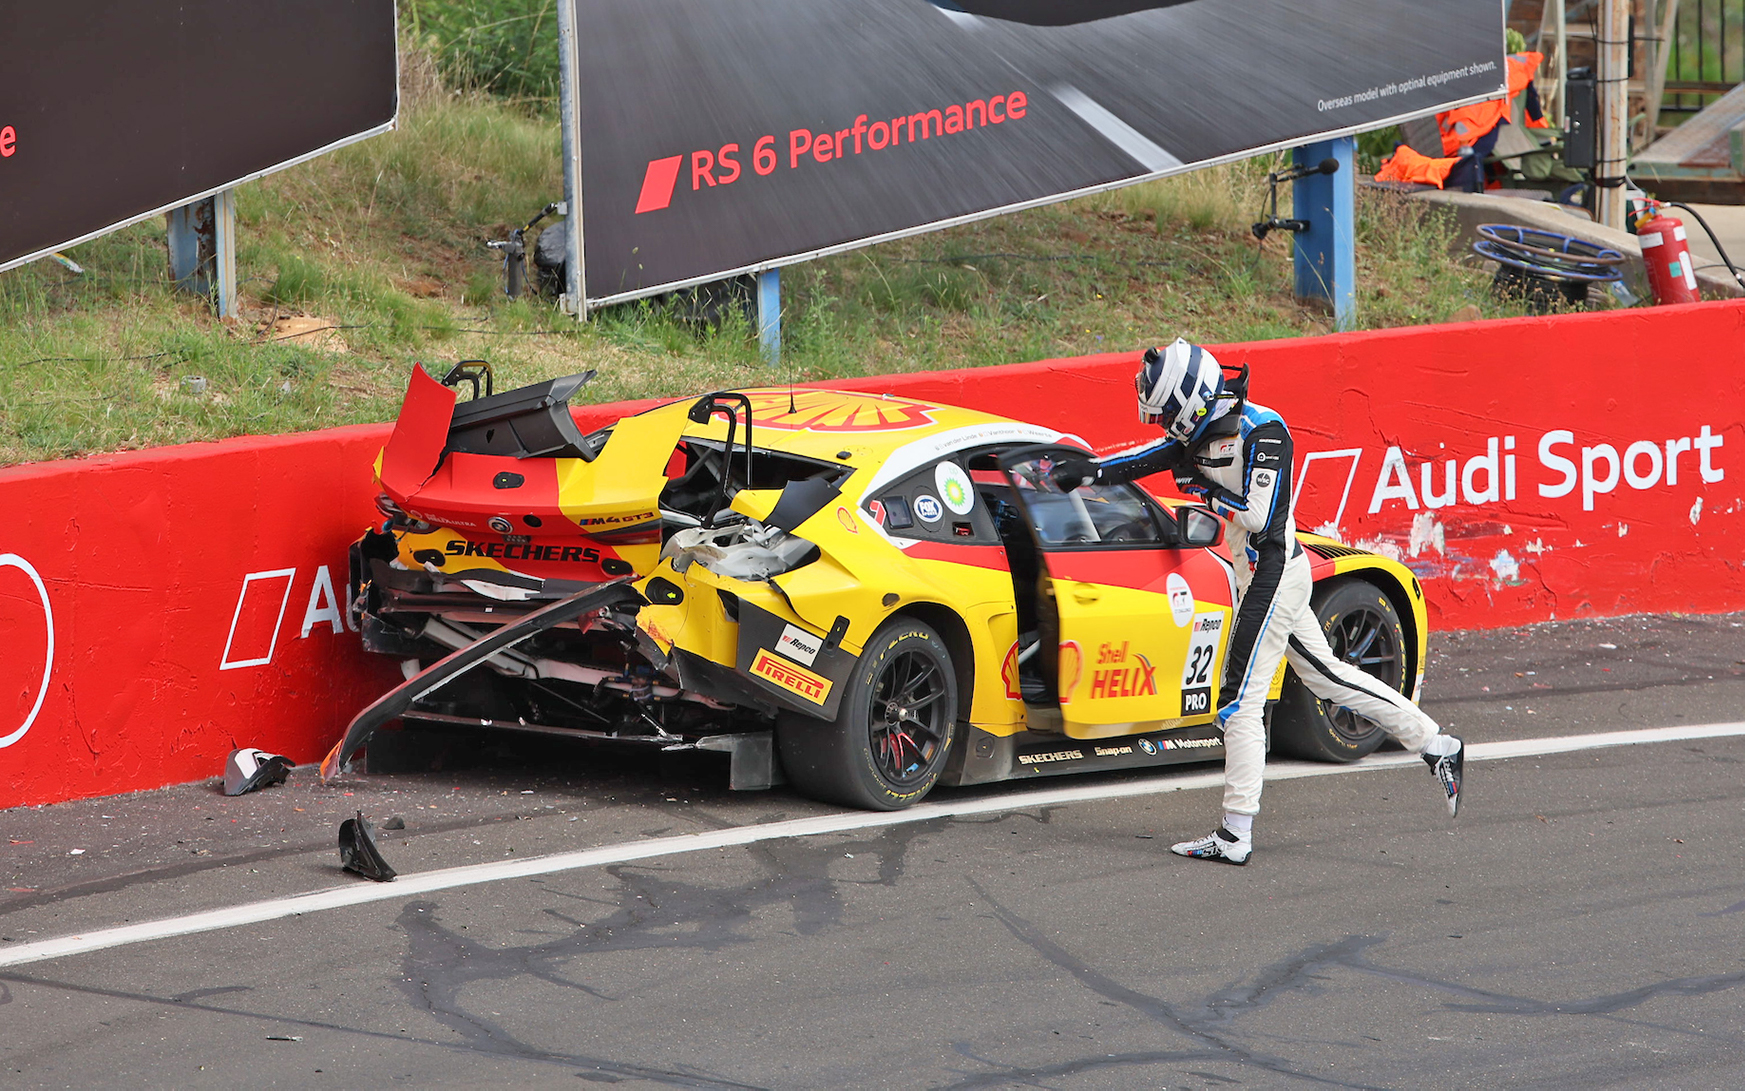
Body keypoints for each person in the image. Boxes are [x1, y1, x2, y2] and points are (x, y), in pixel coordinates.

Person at [1052, 339, 1464, 865]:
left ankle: (1234, 834)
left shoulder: (1265, 431)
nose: (1163, 424)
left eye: (1167, 413)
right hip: (1261, 576)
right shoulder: (1199, 428)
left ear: (1189, 402)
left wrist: (1202, 487)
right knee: (1329, 676)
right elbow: (1147, 458)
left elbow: (1258, 516)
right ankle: (1437, 745)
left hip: (1272, 572)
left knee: (1237, 703)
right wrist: (1087, 473)